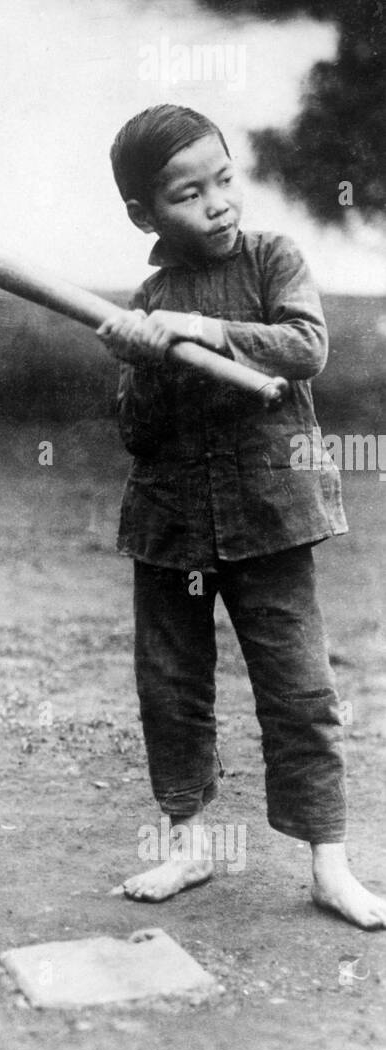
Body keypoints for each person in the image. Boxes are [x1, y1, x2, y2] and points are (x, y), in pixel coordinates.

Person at [97, 103, 385, 929]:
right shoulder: (146, 302)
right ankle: (187, 843)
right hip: (171, 525)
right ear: (144, 214)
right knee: (171, 688)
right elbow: (136, 434)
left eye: (224, 181)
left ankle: (328, 863)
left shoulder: (271, 259)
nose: (218, 203)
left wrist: (206, 332)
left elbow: (305, 347)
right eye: (189, 194)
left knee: (299, 691)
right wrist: (144, 359)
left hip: (270, 516)